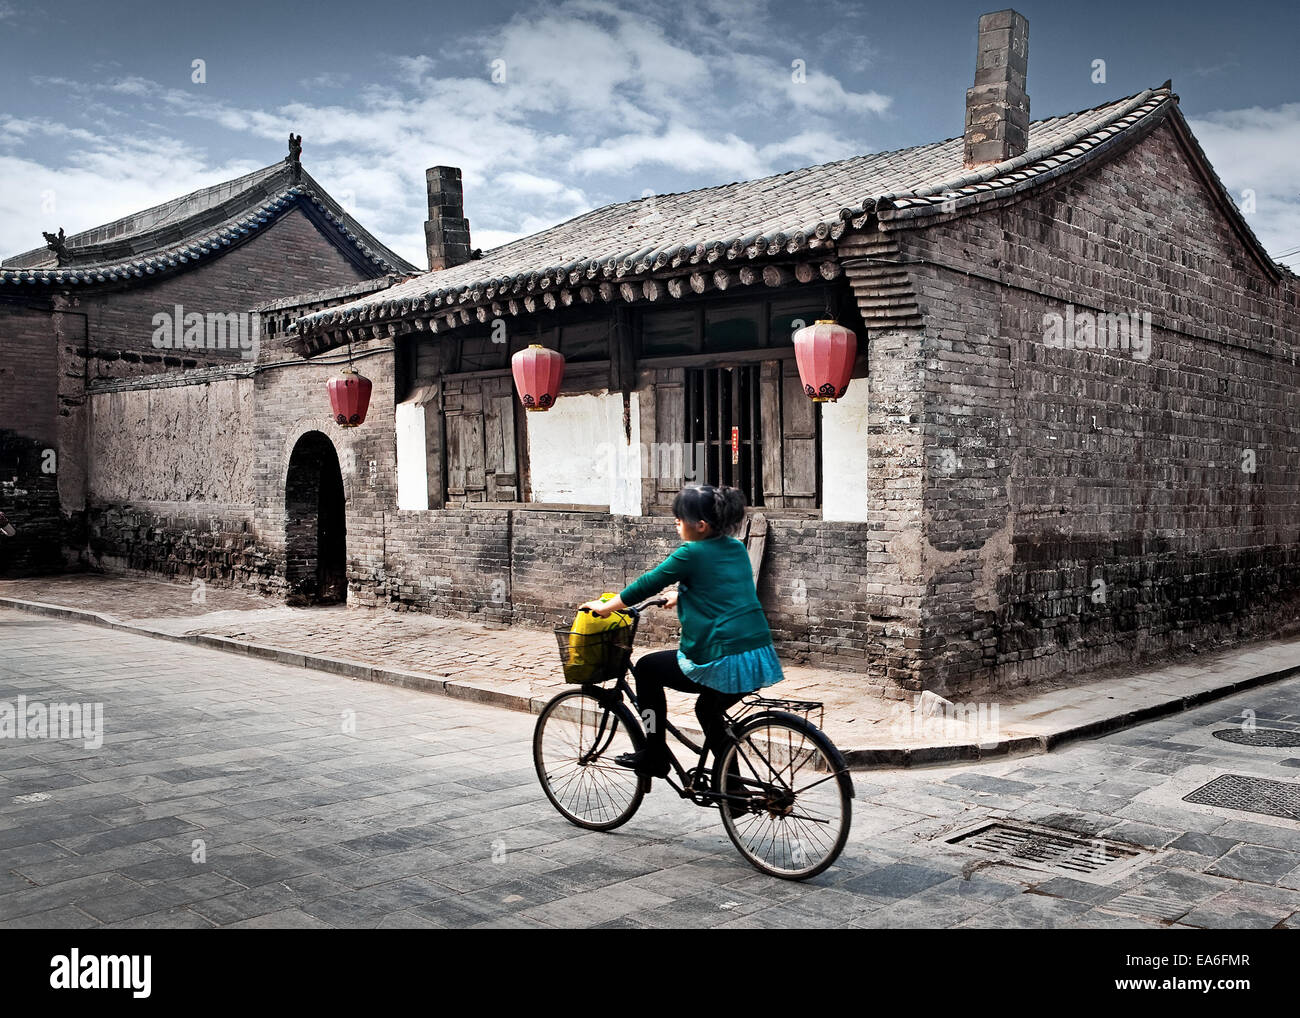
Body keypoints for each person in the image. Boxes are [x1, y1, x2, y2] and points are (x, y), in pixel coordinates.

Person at [577, 484, 784, 779]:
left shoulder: (692, 552)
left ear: (700, 526)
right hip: (755, 656)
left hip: (720, 657)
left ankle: (653, 754)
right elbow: (726, 591)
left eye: (679, 519)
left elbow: (649, 583)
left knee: (647, 669)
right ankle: (733, 788)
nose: (676, 524)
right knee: (708, 711)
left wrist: (607, 607)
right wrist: (684, 596)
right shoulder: (736, 548)